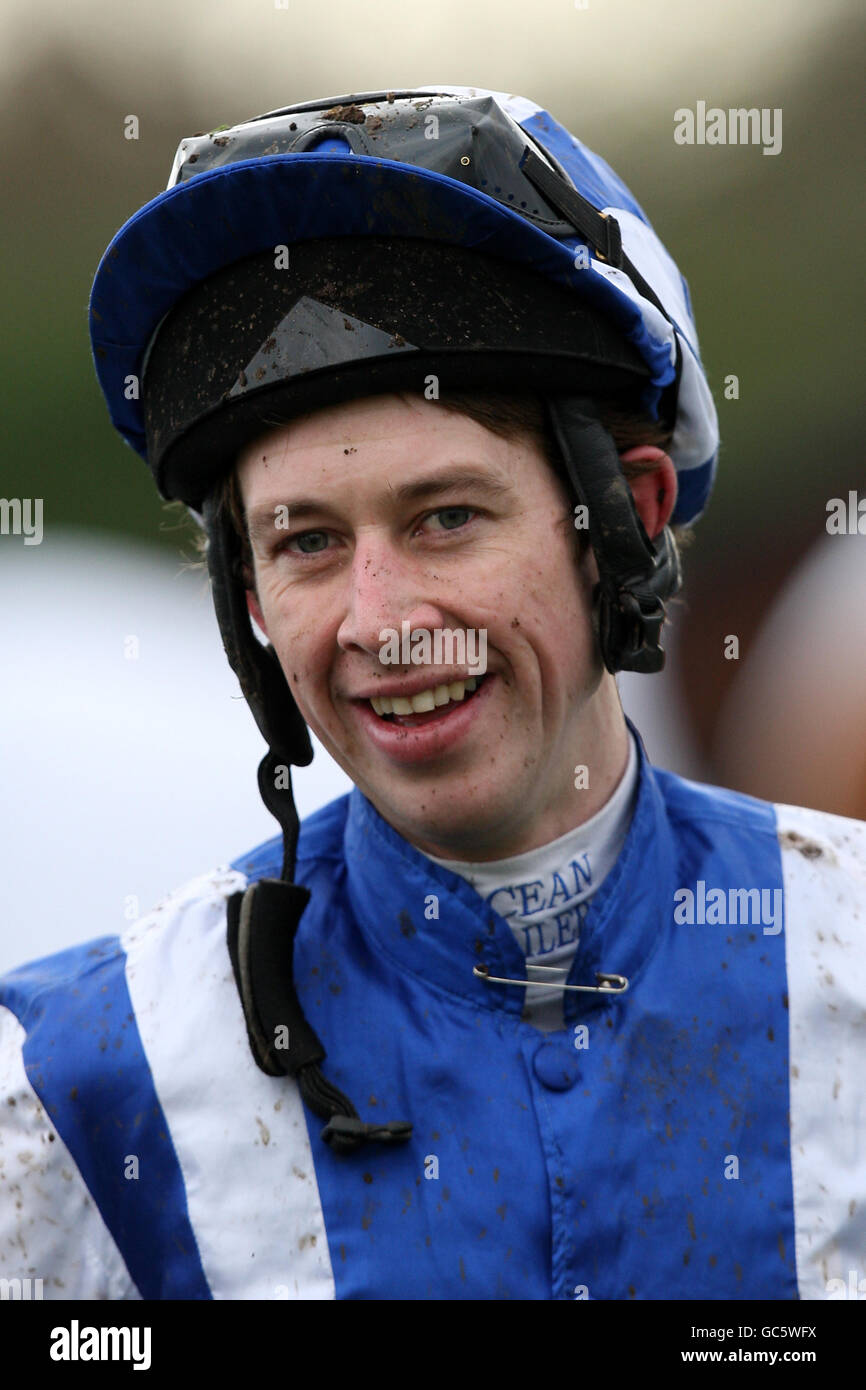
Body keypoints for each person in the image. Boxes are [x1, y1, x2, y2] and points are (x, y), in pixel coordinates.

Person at [1, 86, 864, 1302]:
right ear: (248, 601)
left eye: (445, 517)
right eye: (302, 541)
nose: (380, 620)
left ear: (629, 520)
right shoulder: (68, 1085)